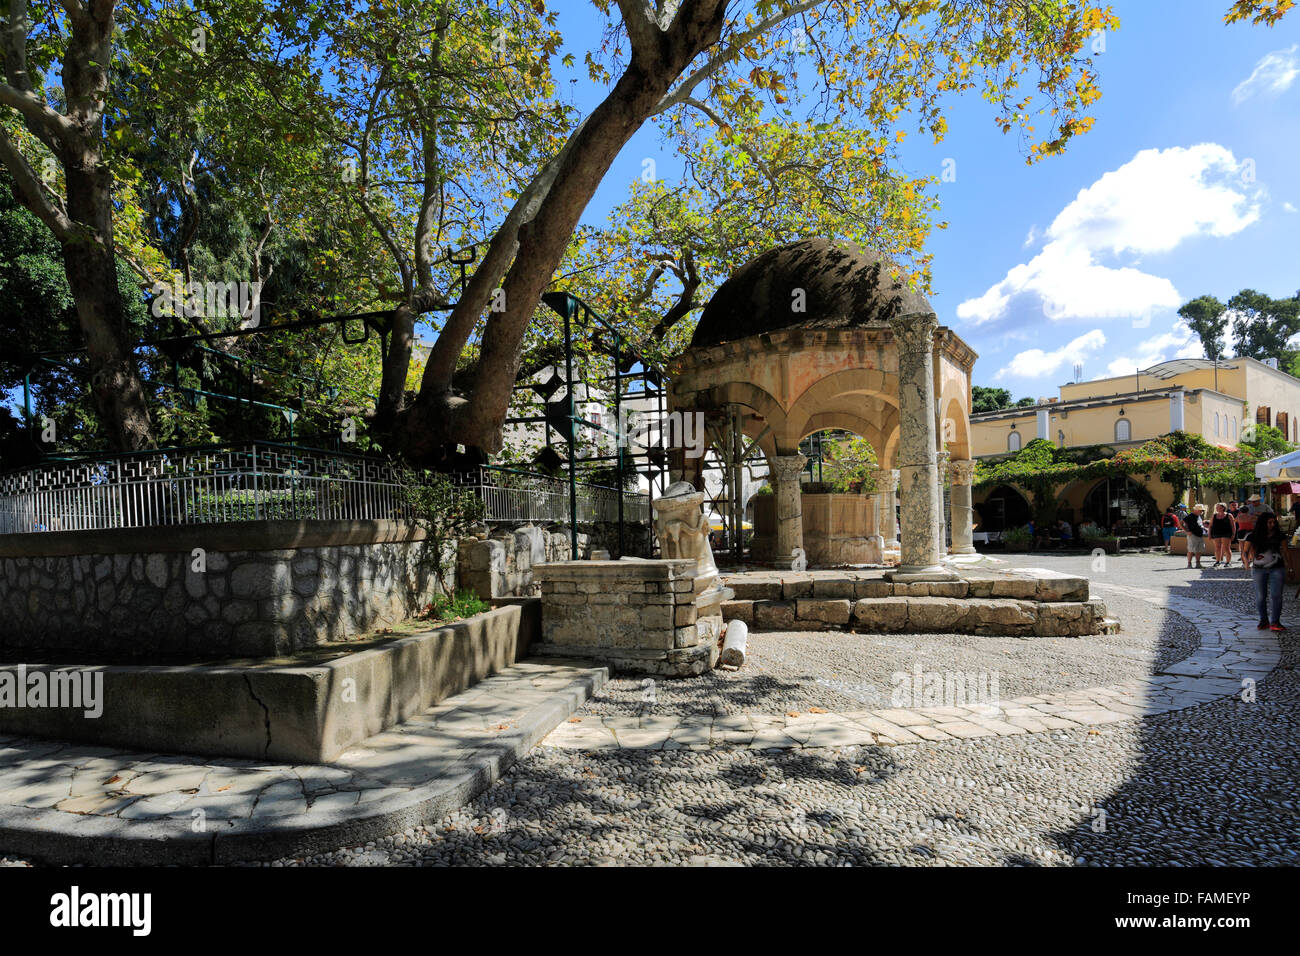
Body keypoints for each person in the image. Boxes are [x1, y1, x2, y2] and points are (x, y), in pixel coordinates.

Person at [1248, 512, 1291, 631]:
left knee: (1276, 595)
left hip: (1277, 568)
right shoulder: (1254, 535)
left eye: (1273, 522)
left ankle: (1275, 621)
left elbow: (1285, 551)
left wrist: (1290, 567)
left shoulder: (1279, 535)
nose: (1272, 524)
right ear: (1263, 523)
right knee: (1261, 596)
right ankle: (1263, 620)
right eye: (1269, 522)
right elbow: (1246, 550)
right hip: (1258, 569)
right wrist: (1247, 561)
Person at [1208, 502, 1236, 568]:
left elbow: (1233, 526)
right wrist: (1209, 534)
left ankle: (1228, 562)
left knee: (1226, 548)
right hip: (1216, 533)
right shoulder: (1214, 515)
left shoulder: (1229, 515)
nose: (1217, 508)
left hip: (1226, 533)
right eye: (1216, 507)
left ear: (1223, 508)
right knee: (1217, 548)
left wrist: (1233, 534)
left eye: (1218, 507)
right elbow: (1210, 526)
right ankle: (1218, 561)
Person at [1183, 503, 1207, 569]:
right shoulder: (1190, 516)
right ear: (1196, 510)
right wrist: (1186, 531)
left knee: (1199, 550)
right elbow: (1181, 522)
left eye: (1202, 510)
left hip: (1199, 534)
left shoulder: (1198, 516)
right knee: (1191, 550)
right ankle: (1189, 564)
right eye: (1200, 510)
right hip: (1193, 535)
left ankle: (1198, 564)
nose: (1202, 512)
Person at [1236, 500, 1258, 568]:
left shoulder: (1238, 517)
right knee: (1251, 548)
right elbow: (1257, 519)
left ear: (1240, 511)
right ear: (1248, 511)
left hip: (1241, 532)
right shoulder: (1251, 516)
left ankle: (1245, 563)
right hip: (1249, 532)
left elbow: (1235, 521)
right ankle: (1254, 562)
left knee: (1242, 549)